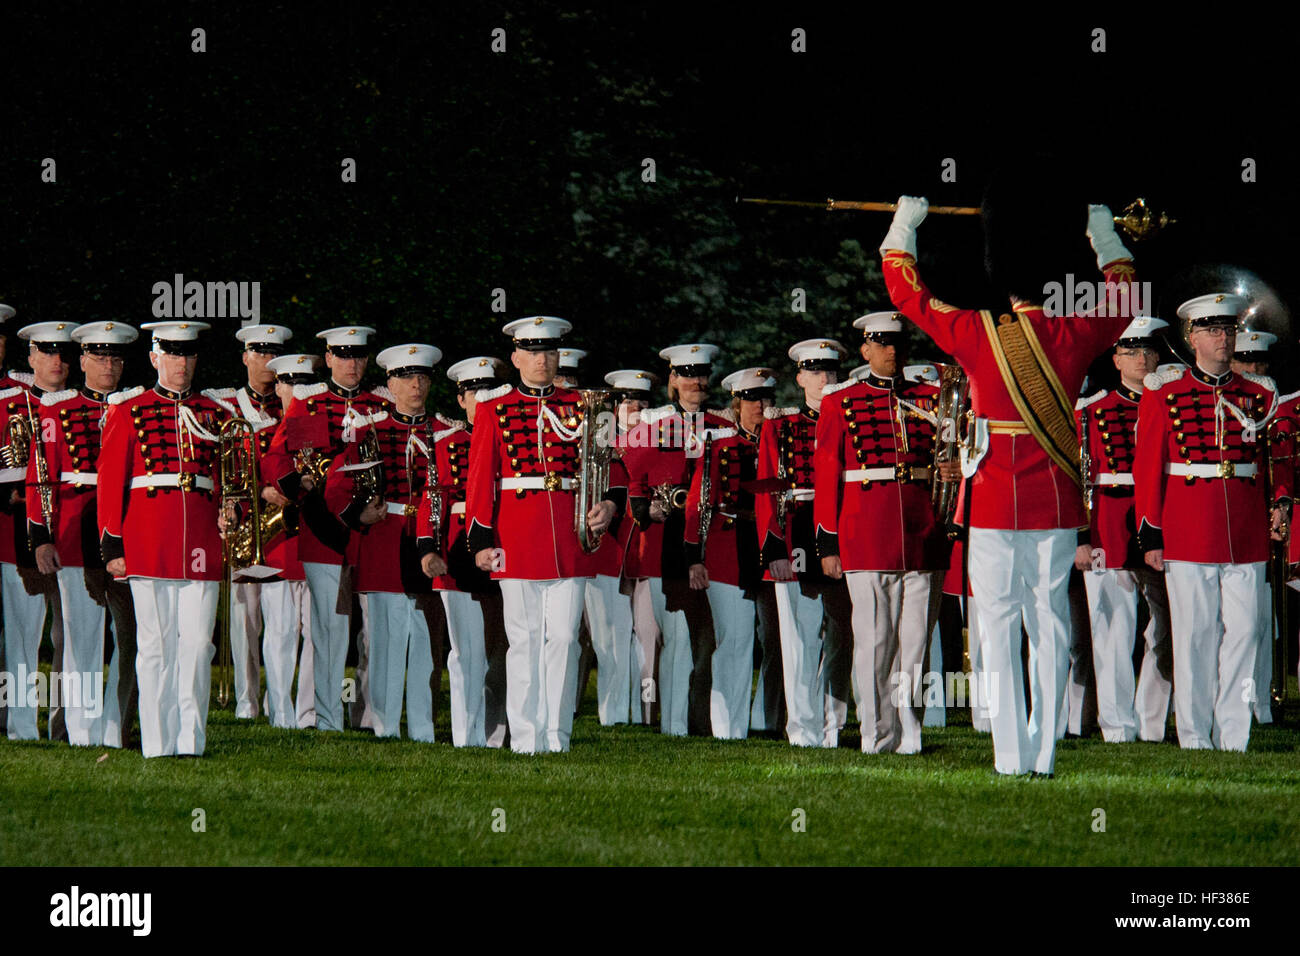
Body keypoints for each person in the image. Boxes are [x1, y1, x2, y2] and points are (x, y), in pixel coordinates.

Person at [879, 193, 1138, 776]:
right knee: (1048, 621)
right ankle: (1042, 755)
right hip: (1052, 495)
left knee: (995, 624)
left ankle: (1010, 757)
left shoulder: (977, 332)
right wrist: (1102, 231)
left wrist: (903, 227)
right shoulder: (1075, 333)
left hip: (993, 495)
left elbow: (907, 295)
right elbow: (1126, 289)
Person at [1134, 293, 1289, 752]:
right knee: (1195, 634)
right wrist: (1151, 530)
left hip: (1244, 528)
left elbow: (1273, 458)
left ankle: (1235, 733)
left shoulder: (1260, 395)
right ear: (1192, 338)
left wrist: (1279, 504)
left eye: (1228, 330)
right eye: (1213, 330)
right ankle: (1195, 733)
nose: (1224, 338)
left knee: (1245, 633)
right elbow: (1148, 467)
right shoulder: (1166, 393)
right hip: (1188, 525)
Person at [465, 316, 619, 753]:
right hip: (516, 533)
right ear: (515, 357)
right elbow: (480, 480)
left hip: (572, 533)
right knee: (524, 638)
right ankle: (527, 738)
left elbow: (615, 467)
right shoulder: (493, 408)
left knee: (566, 638)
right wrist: (479, 540)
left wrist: (609, 505)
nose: (541, 360)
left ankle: (557, 735)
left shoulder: (589, 405)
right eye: (532, 352)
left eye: (550, 352)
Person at [96, 320, 231, 758]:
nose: (181, 364)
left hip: (202, 539)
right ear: (154, 358)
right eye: (172, 355)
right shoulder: (128, 409)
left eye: (187, 355)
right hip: (148, 537)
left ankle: (190, 741)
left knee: (197, 645)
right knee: (153, 645)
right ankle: (156, 743)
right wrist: (112, 543)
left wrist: (236, 513)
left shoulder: (218, 413)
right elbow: (110, 481)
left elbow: (233, 482)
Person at [814, 314, 947, 754]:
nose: (893, 351)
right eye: (883, 343)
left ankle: (909, 734)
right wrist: (828, 541)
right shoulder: (840, 402)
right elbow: (828, 475)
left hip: (922, 530)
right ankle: (876, 735)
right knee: (874, 639)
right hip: (865, 530)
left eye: (898, 343)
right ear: (866, 350)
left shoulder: (934, 398)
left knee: (915, 645)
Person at [263, 326, 390, 732]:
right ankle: (326, 718)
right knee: (328, 627)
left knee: (375, 627)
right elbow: (277, 457)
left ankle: (371, 716)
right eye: (343, 355)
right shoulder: (311, 404)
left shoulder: (381, 406)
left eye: (358, 356)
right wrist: (298, 486)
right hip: (324, 528)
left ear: (366, 361)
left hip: (374, 530)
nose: (352, 364)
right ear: (329, 358)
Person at [28, 321, 138, 747]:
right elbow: (42, 479)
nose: (107, 365)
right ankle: (82, 730)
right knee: (81, 638)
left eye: (114, 357)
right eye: (99, 356)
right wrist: (40, 537)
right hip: (76, 532)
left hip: (130, 531)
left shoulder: (137, 407)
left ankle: (116, 726)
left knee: (130, 638)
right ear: (83, 360)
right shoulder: (59, 410)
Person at [328, 343, 442, 742]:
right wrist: (358, 515)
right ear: (390, 384)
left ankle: (424, 728)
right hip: (383, 539)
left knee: (427, 641)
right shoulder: (367, 429)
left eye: (422, 377)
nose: (415, 385)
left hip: (430, 537)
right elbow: (337, 485)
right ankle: (385, 725)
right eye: (406, 378)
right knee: (384, 641)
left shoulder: (445, 432)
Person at [621, 344, 730, 736]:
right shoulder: (652, 426)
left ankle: (703, 722)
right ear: (673, 380)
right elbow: (635, 484)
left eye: (702, 374)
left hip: (715, 544)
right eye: (687, 374)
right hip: (666, 544)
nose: (697, 381)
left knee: (711, 639)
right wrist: (646, 509)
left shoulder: (722, 425)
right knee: (678, 638)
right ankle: (673, 725)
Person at [1075, 316, 1174, 742]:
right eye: (1131, 351)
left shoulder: (1169, 403)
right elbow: (1077, 478)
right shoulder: (1090, 409)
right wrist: (1081, 536)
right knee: (1111, 626)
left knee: (1168, 626)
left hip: (1160, 518)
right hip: (1108, 521)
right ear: (1115, 358)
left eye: (1149, 351)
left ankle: (1151, 721)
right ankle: (1116, 725)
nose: (1142, 359)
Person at [757, 338, 852, 747]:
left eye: (830, 371)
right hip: (795, 528)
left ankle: (834, 727)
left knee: (843, 635)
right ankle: (802, 729)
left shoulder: (848, 420)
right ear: (799, 377)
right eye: (815, 370)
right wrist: (773, 548)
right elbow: (766, 488)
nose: (824, 378)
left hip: (841, 530)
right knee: (798, 637)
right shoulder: (779, 427)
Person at [418, 355, 510, 747]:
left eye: (487, 390)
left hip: (504, 545)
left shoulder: (509, 433)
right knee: (464, 651)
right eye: (472, 391)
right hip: (457, 550)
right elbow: (430, 500)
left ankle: (499, 732)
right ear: (460, 399)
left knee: (504, 649)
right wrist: (427, 550)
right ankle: (465, 735)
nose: (480, 398)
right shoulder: (445, 442)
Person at [207, 323, 295, 720]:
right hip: (242, 523)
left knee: (282, 624)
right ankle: (246, 702)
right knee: (244, 622)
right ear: (245, 356)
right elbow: (212, 463)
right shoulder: (223, 404)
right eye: (259, 354)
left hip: (283, 527)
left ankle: (282, 705)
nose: (267, 363)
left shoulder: (294, 403)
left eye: (274, 356)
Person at [684, 367, 771, 739]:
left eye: (766, 398)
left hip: (770, 544)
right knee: (733, 640)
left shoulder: (777, 442)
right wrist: (693, 556)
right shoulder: (719, 443)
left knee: (777, 642)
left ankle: (767, 721)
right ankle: (727, 728)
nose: (760, 406)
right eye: (751, 399)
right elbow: (697, 500)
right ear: (737, 404)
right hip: (727, 543)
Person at [0, 321, 73, 741]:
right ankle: (21, 726)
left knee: (70, 638)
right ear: (30, 357)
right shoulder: (11, 401)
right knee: (24, 638)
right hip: (17, 534)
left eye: (64, 354)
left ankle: (64, 726)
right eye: (47, 352)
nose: (57, 362)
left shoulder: (86, 405)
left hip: (71, 534)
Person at [259, 353, 323, 729]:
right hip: (277, 543)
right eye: (288, 384)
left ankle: (308, 713)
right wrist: (265, 489)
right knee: (279, 632)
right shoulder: (264, 431)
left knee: (314, 633)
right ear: (277, 387)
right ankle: (279, 711)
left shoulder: (315, 428)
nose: (295, 391)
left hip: (311, 542)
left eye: (303, 384)